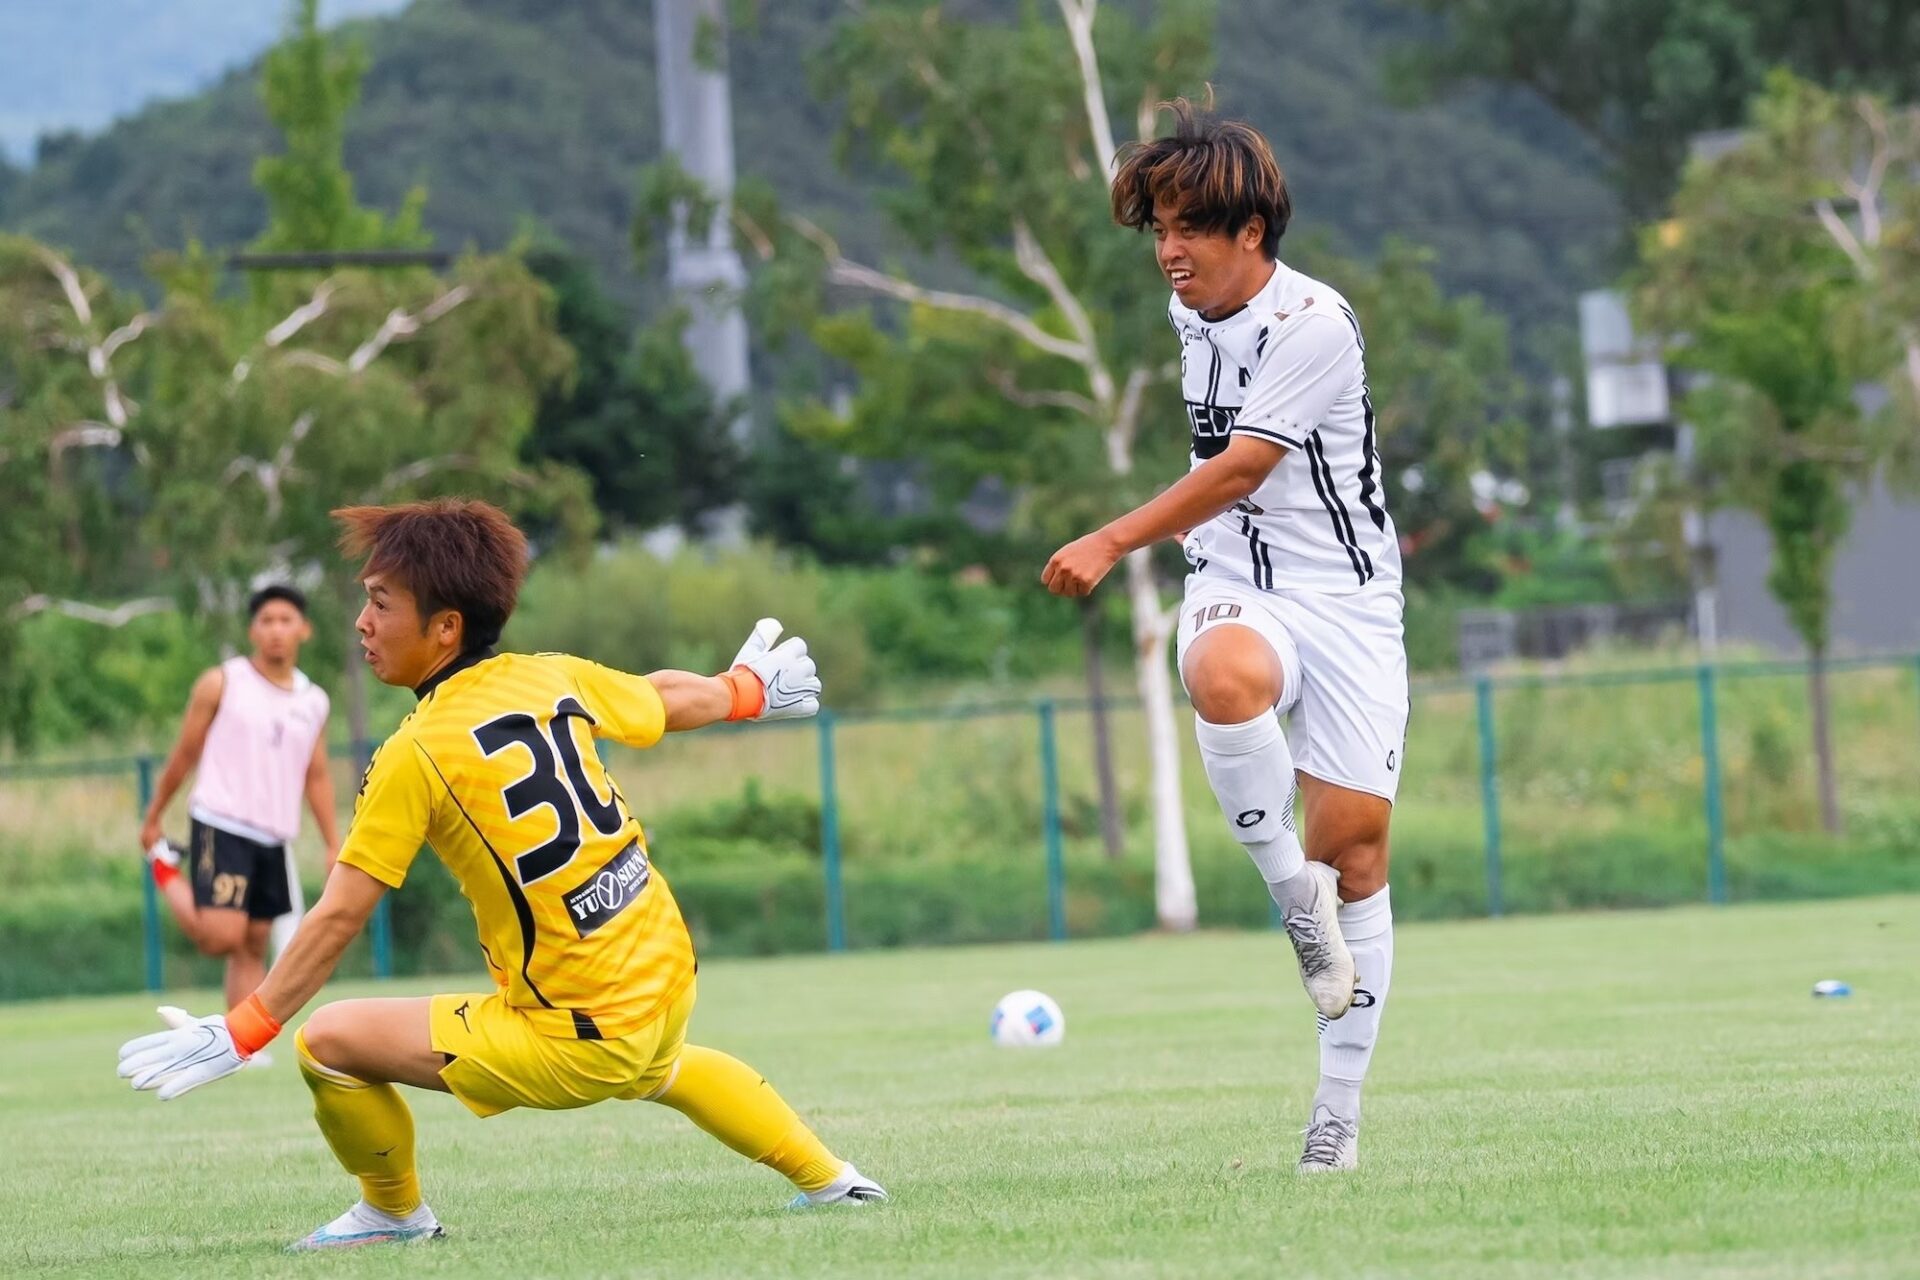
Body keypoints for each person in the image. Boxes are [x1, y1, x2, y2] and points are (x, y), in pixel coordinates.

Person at [118, 499, 885, 1248]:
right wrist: (744, 691)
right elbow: (659, 698)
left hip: (575, 1033)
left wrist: (245, 1030)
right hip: (667, 977)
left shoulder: (415, 752)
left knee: (326, 1043)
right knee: (659, 1065)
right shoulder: (549, 676)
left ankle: (393, 1215)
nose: (363, 623)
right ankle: (833, 1179)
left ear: (445, 628)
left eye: (382, 605)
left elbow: (341, 915)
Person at [1043, 101, 1406, 1172]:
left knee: (1361, 855)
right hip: (1240, 582)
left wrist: (1112, 539)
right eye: (1157, 228)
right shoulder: (1192, 306)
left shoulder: (1316, 325)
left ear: (1253, 231)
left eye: (1188, 227)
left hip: (1348, 600)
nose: (1167, 252)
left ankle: (1336, 1110)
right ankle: (1285, 887)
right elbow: (1231, 503)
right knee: (1218, 669)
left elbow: (1244, 465)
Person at [138, 585, 341, 1032]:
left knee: (253, 943)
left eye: (286, 620)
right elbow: (185, 753)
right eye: (266, 621)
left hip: (274, 834)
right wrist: (154, 814)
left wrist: (332, 842)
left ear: (303, 629)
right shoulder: (223, 682)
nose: (276, 630)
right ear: (252, 630)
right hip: (221, 821)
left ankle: (238, 1043)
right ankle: (165, 867)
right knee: (220, 937)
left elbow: (317, 775)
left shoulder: (314, 700)